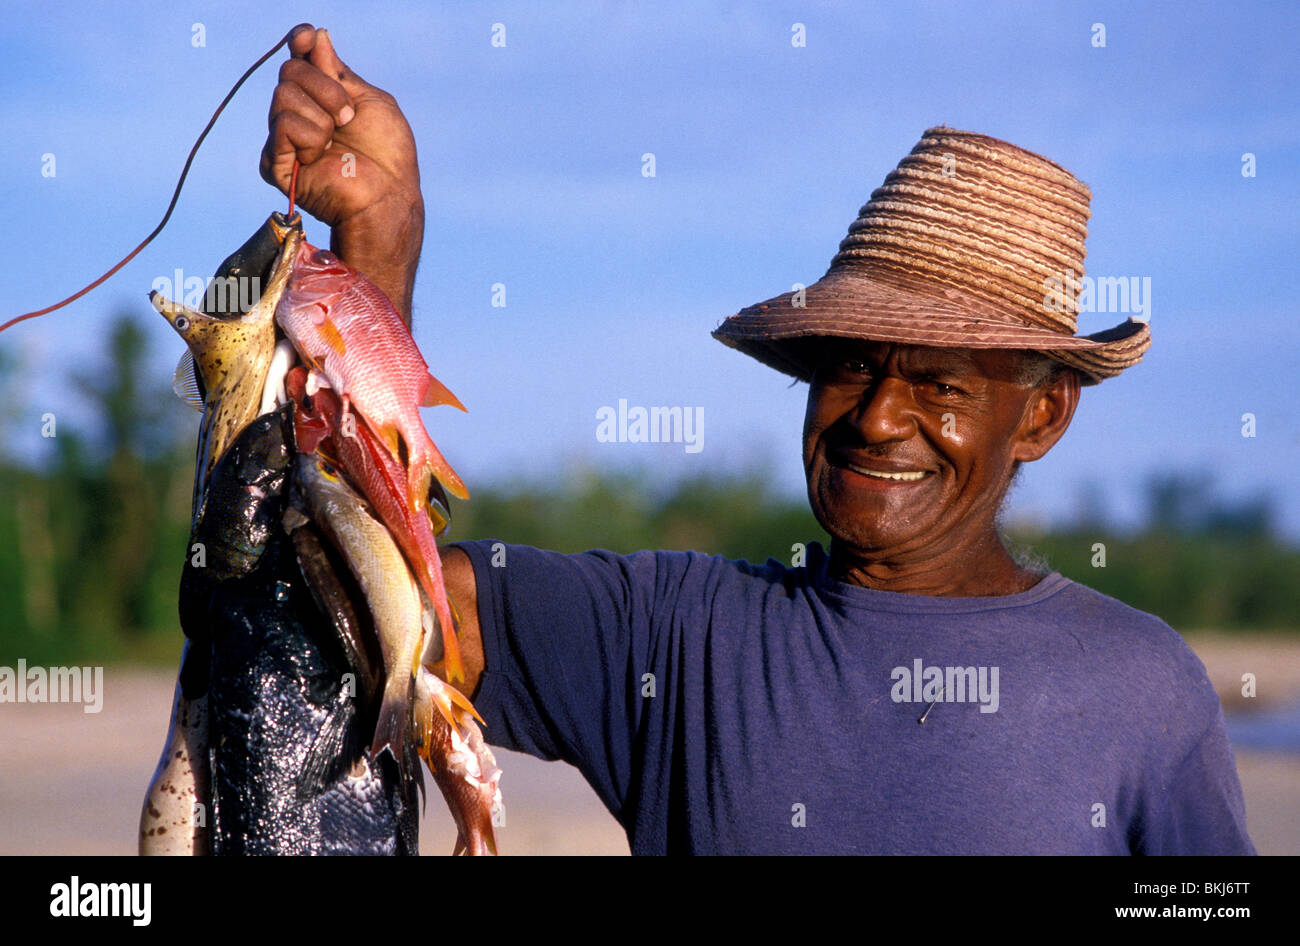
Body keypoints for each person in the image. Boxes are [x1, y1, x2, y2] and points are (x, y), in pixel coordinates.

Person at [260, 25, 1255, 854]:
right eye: (851, 366)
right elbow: (357, 595)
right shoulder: (674, 637)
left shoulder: (1142, 688)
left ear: (1040, 416)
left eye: (938, 383)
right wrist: (381, 235)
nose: (874, 417)